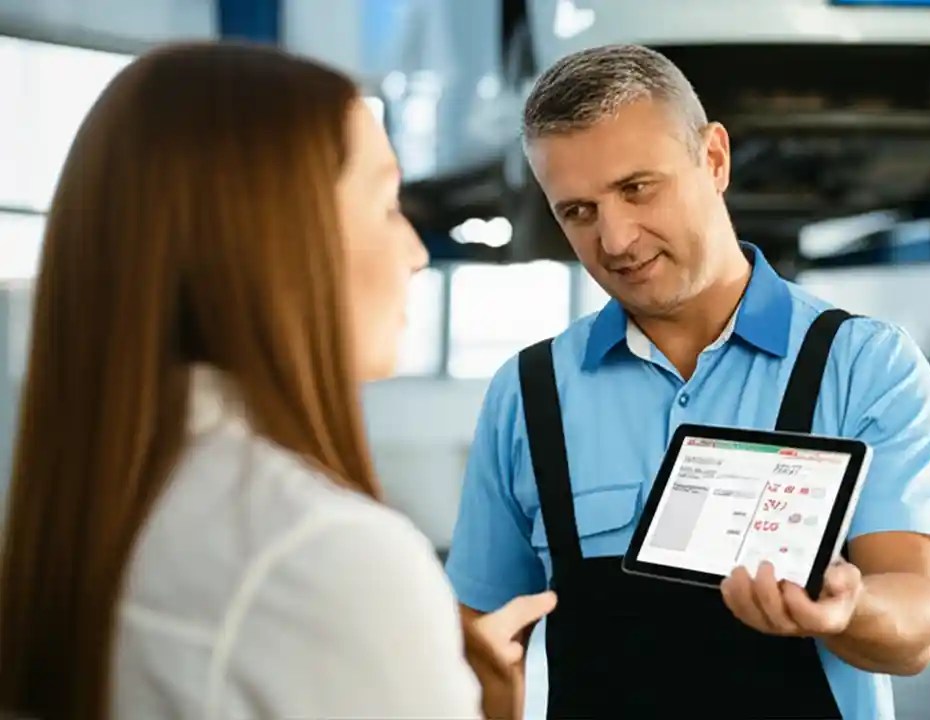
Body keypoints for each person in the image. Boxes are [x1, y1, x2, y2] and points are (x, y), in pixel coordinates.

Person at [0, 42, 553, 720]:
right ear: (276, 241)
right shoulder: (326, 555)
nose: (414, 253)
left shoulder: (109, 500)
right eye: (386, 205)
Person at [445, 43, 930, 719]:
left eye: (637, 189)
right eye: (578, 212)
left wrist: (847, 606)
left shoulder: (864, 368)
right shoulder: (529, 394)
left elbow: (917, 623)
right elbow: (481, 641)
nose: (617, 240)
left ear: (714, 159)